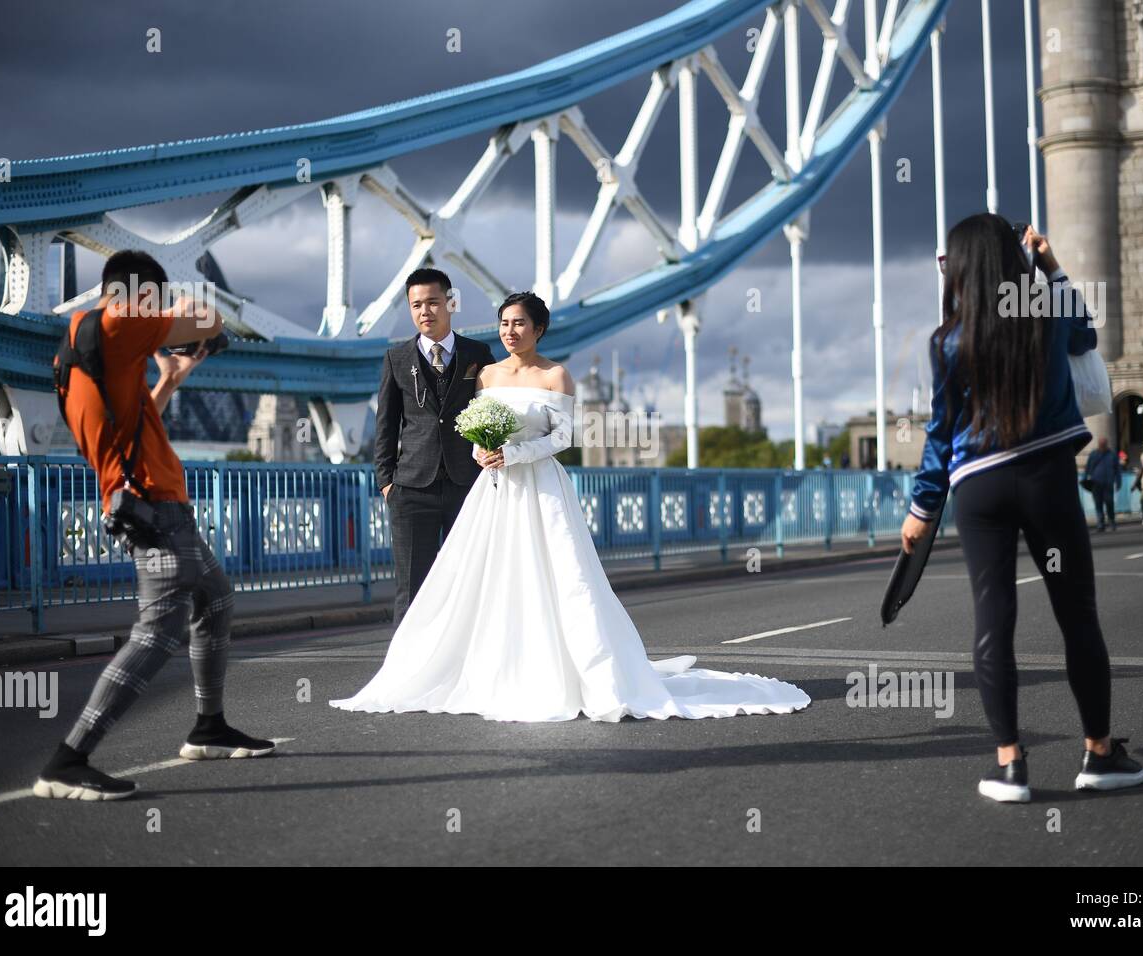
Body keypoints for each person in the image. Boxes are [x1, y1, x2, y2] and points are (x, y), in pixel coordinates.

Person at [332, 291, 809, 721]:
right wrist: (482, 450)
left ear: (538, 329)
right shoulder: (488, 374)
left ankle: (574, 671)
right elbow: (472, 426)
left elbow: (563, 437)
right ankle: (483, 667)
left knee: (562, 578)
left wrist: (514, 453)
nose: (509, 332)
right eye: (503, 323)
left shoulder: (557, 375)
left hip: (540, 484)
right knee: (487, 578)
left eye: (519, 324)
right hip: (495, 489)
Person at [900, 214, 1143, 804]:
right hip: (1046, 478)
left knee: (993, 617)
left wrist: (922, 507)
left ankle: (1010, 765)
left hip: (979, 490)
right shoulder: (1047, 310)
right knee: (1076, 615)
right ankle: (1100, 753)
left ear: (959, 269)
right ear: (1015, 261)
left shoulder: (947, 340)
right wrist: (1052, 264)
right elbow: (1087, 336)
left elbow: (941, 432)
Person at [34, 250, 273, 801]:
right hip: (154, 513)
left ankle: (208, 727)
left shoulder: (86, 347)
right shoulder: (116, 323)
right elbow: (209, 320)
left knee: (215, 601)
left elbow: (134, 429)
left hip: (159, 507)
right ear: (138, 295)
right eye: (155, 301)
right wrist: (187, 310)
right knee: (158, 631)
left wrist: (170, 376)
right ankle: (68, 759)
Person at [375, 267, 497, 626]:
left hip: (468, 486)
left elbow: (491, 413)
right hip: (411, 489)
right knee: (412, 589)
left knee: (472, 582)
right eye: (416, 305)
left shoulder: (479, 354)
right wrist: (387, 483)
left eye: (432, 302)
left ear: (450, 303)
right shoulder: (396, 359)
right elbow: (385, 425)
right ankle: (405, 673)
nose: (425, 311)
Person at [1083, 436, 1120, 531]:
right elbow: (1087, 468)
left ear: (1106, 444)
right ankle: (1101, 524)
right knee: (1098, 504)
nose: (1102, 445)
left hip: (1108, 484)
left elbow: (1117, 470)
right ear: (1098, 444)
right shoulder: (1093, 454)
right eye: (1101, 444)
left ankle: (1112, 521)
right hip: (1096, 484)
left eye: (1104, 444)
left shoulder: (1112, 455)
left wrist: (1118, 482)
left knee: (1109, 503)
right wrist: (1084, 479)